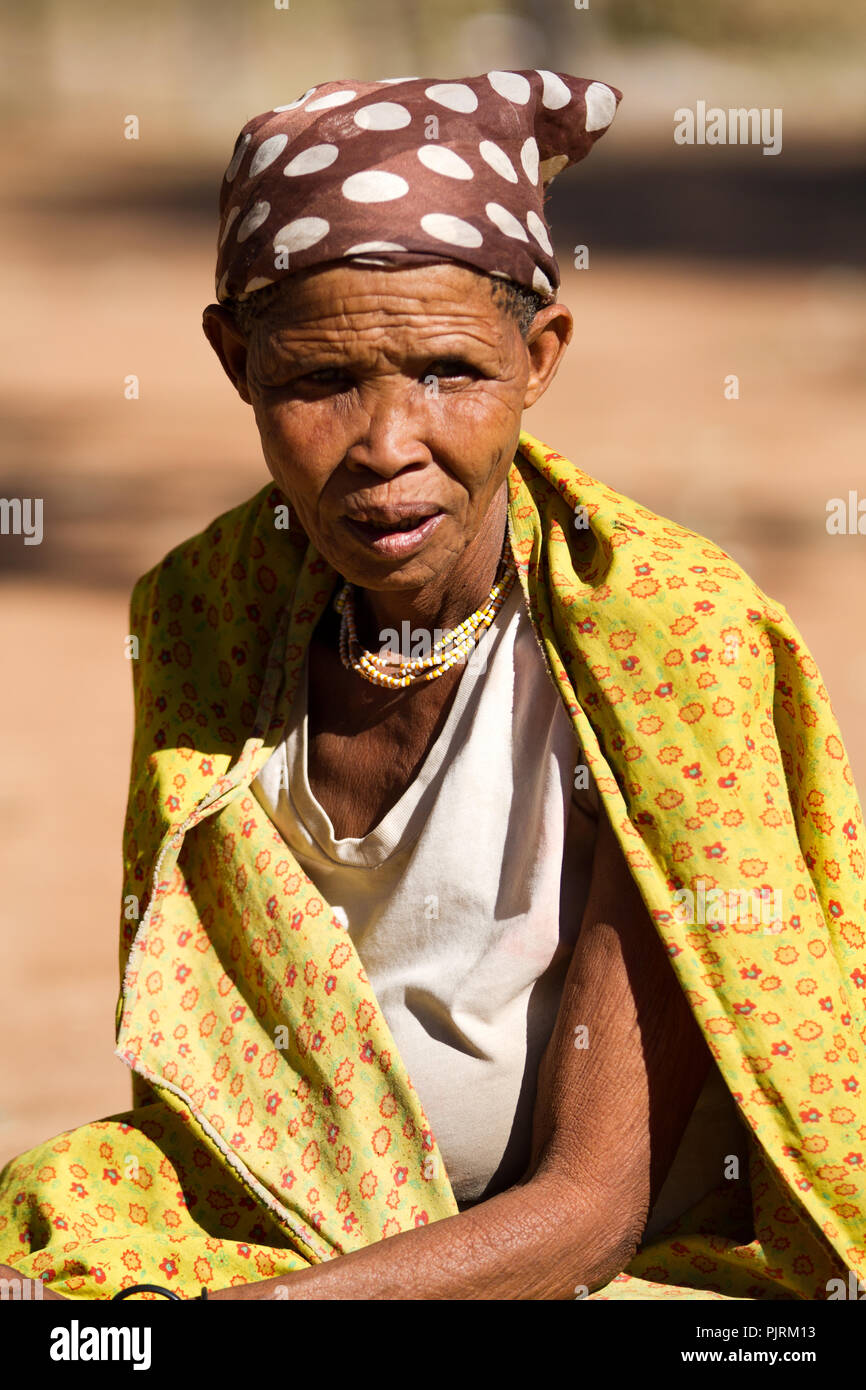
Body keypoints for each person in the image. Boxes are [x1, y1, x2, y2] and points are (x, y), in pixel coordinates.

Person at [1, 70, 864, 1303]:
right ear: (234, 361)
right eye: (318, 382)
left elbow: (587, 1208)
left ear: (538, 356)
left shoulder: (657, 642)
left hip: (606, 1272)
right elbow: (213, 1086)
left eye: (450, 371)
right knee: (48, 1221)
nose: (387, 444)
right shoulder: (204, 615)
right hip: (306, 1228)